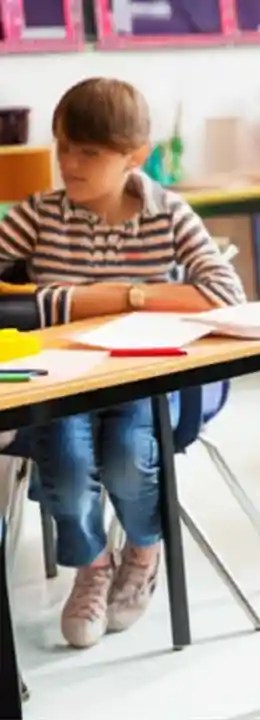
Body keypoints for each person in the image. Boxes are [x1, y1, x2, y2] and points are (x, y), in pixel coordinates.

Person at [0, 77, 245, 648]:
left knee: (130, 458)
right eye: (64, 147)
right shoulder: (39, 214)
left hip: (141, 376)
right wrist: (131, 294)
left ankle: (143, 552)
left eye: (89, 153)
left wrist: (108, 297)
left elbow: (225, 293)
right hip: (60, 380)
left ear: (135, 156)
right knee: (65, 460)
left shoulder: (168, 213)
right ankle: (91, 567)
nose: (69, 164)